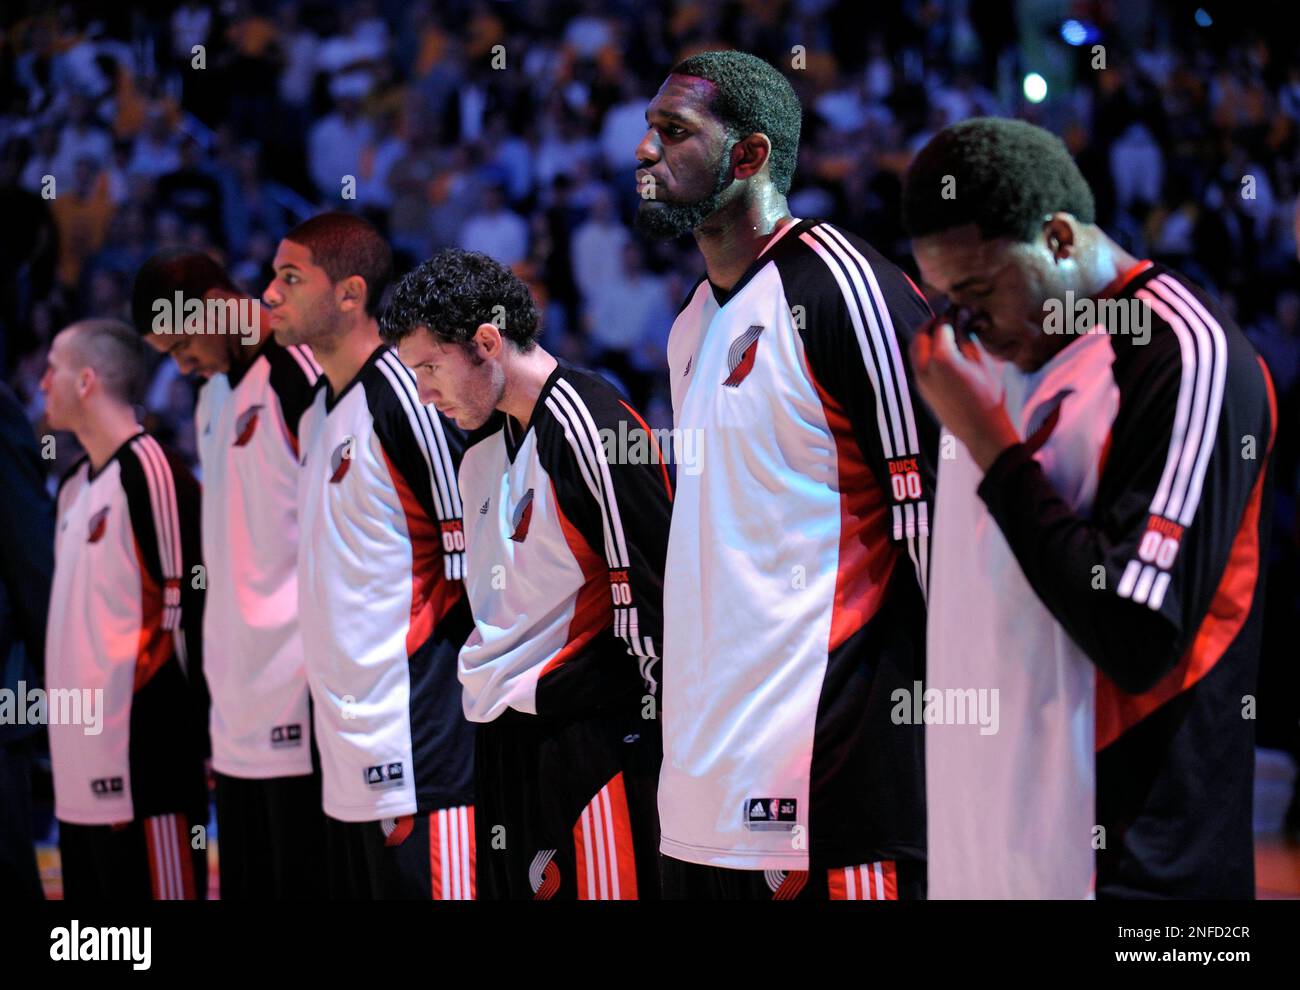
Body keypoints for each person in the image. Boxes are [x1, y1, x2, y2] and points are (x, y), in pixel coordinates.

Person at [902, 116, 1277, 899]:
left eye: (980, 290)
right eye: (947, 299)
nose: (969, 321)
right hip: (989, 852)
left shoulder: (1183, 354)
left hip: (1133, 872)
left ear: (1062, 239)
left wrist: (992, 448)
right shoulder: (989, 354)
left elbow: (1138, 631)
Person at [637, 50, 936, 900]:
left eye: (674, 131)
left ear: (751, 155)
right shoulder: (692, 321)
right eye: (649, 128)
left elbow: (938, 526)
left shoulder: (847, 288)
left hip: (827, 767)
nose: (644, 150)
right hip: (702, 768)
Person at [382, 248, 671, 899]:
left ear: (487, 342)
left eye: (430, 368)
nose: (424, 396)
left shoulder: (590, 425)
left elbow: (660, 609)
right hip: (505, 747)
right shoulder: (478, 447)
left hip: (595, 747)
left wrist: (660, 758)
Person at [262, 213, 475, 899]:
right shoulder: (316, 411)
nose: (270, 294)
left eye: (290, 278)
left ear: (351, 294)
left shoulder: (406, 394)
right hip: (347, 730)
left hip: (418, 729)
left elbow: (469, 553)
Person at [131, 249, 327, 899]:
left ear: (218, 306)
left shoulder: (300, 371)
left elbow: (342, 533)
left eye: (182, 342)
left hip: (301, 693)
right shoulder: (212, 395)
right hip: (235, 702)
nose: (179, 362)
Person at [39, 319, 208, 899]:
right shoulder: (70, 488)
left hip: (147, 766)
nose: (41, 384)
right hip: (75, 771)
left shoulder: (151, 468)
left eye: (52, 369)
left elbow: (189, 610)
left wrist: (196, 738)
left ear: (86, 380)